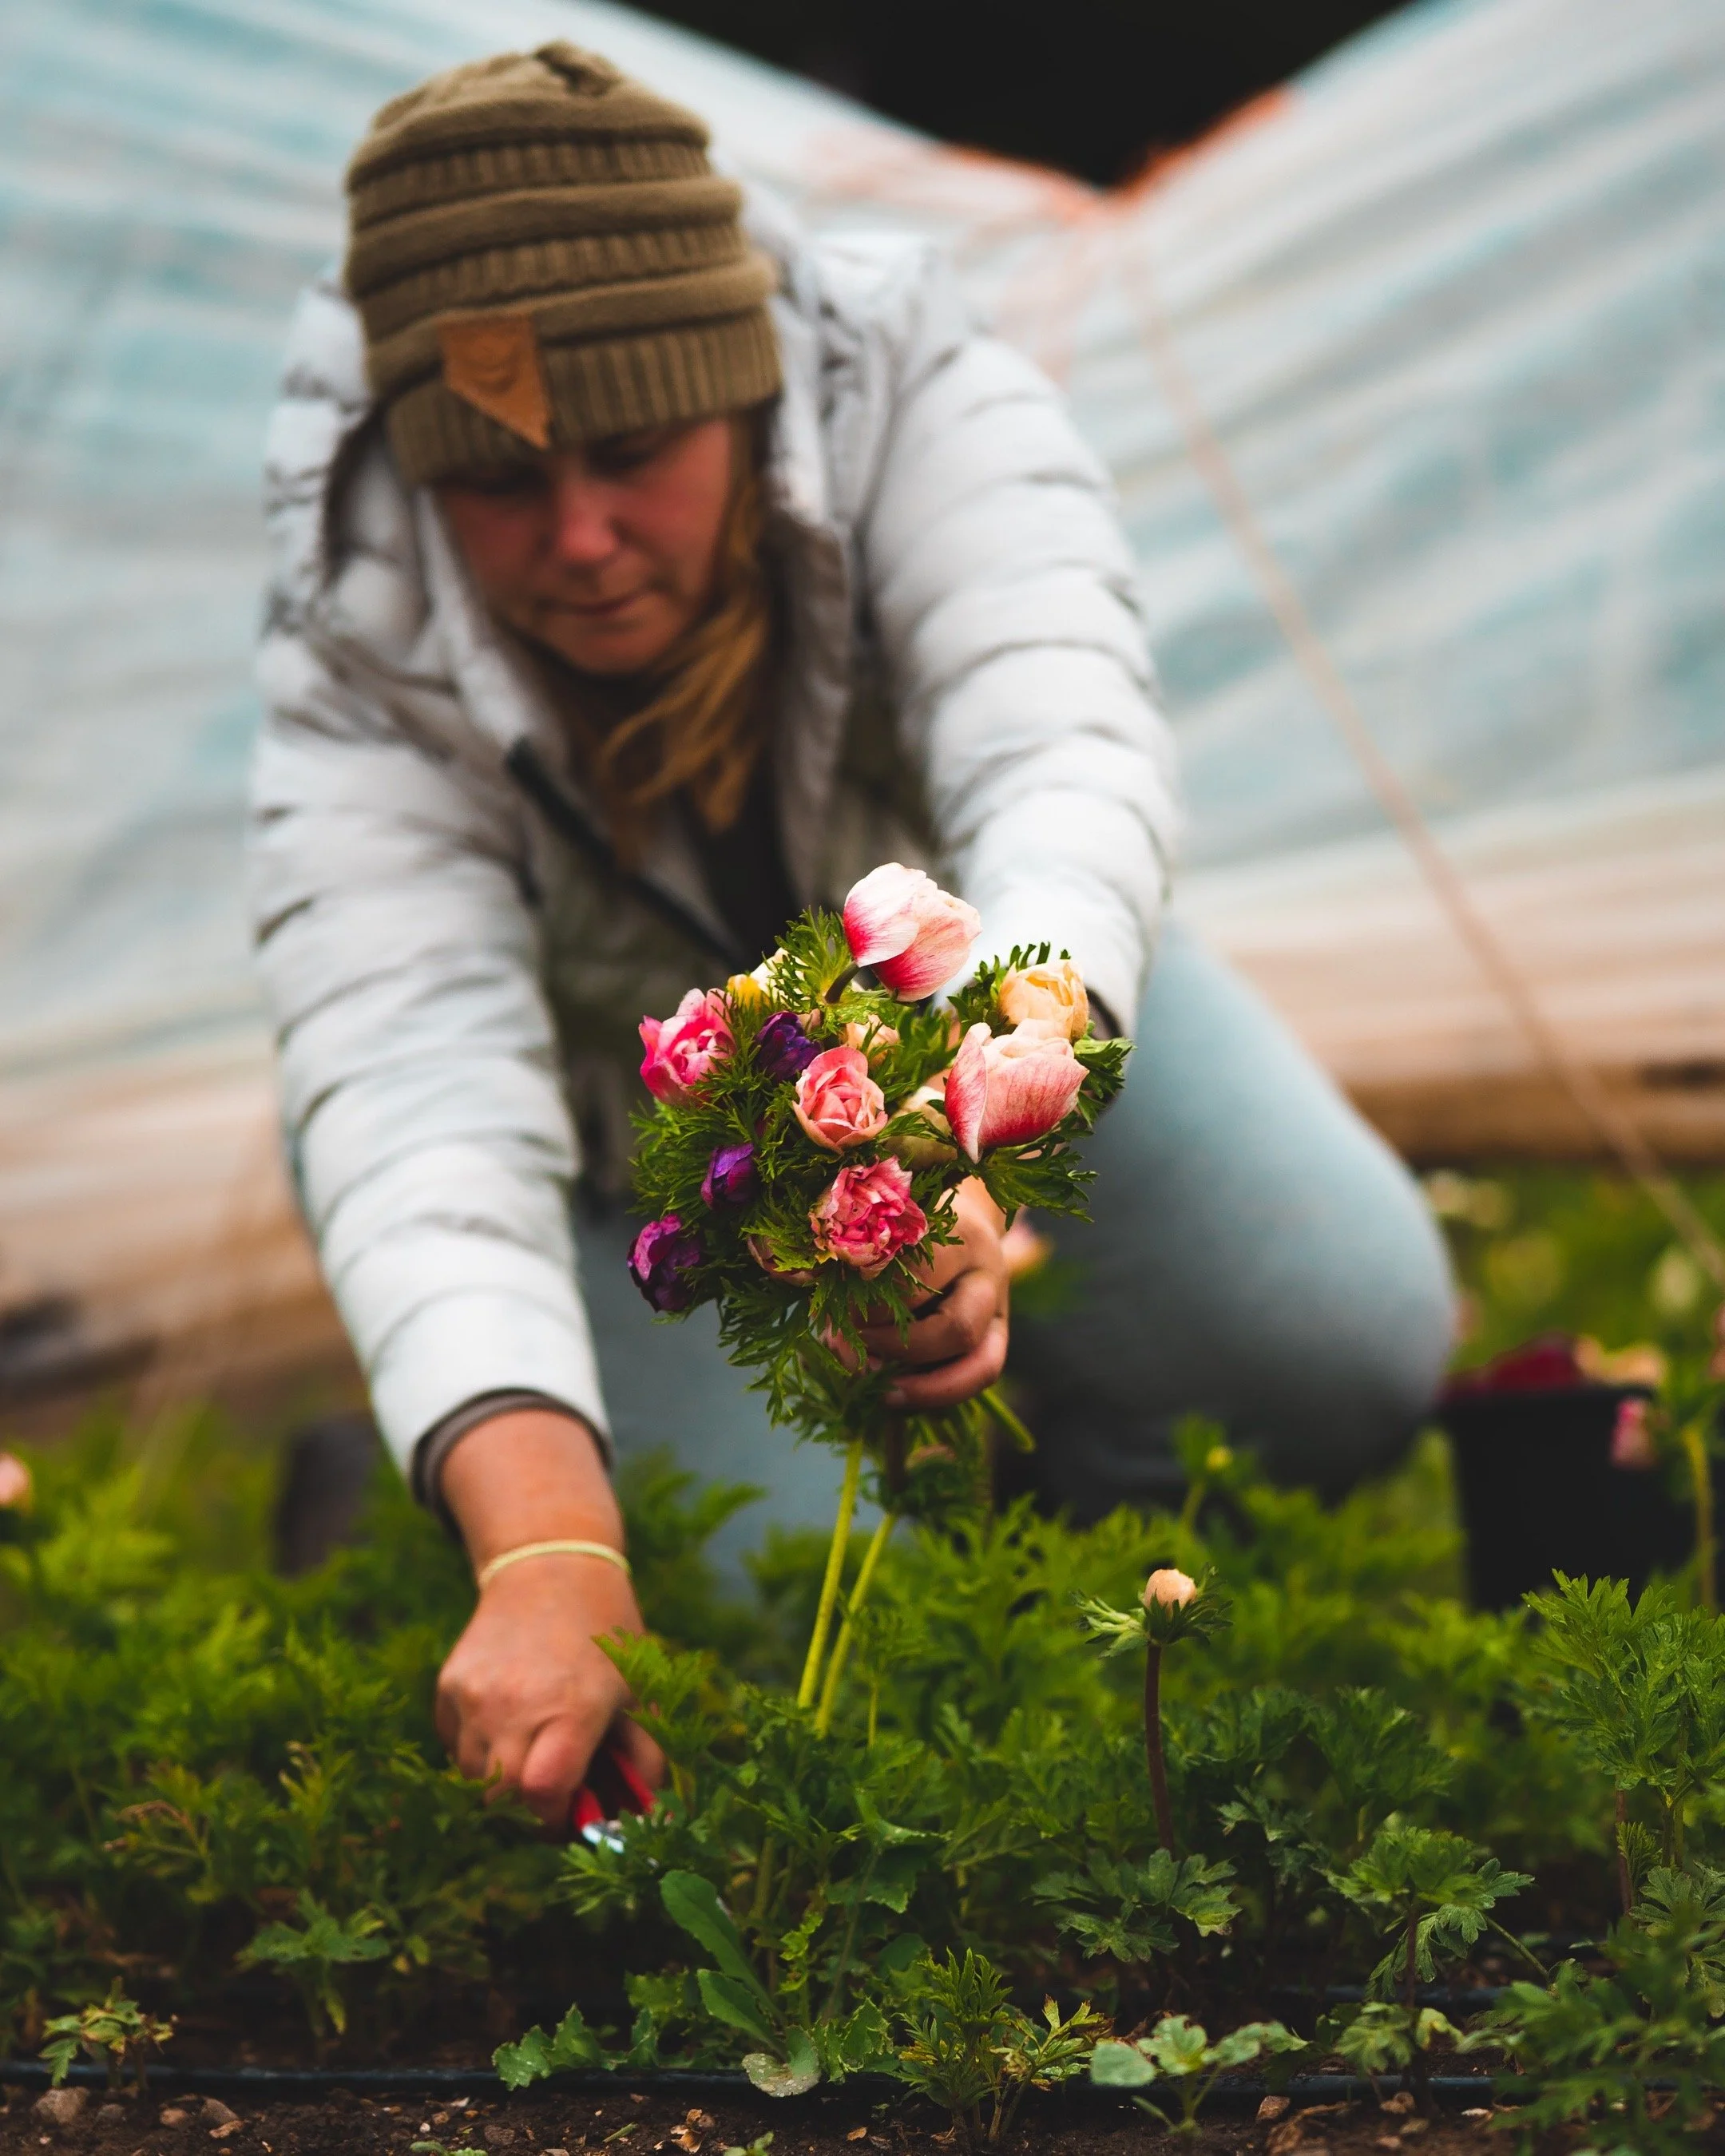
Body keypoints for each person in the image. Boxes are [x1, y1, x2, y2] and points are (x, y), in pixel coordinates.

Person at [250, 45, 1454, 1829]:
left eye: (634, 455)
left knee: (1336, 1335)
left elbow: (1059, 753)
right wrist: (552, 1547)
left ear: (740, 399)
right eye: (499, 482)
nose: (579, 539)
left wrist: (966, 1132)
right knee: (771, 1591)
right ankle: (460, 1464)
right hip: (637, 1163)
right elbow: (405, 1070)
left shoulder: (913, 394)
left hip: (1001, 1000)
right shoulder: (364, 601)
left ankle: (1036, 1570)